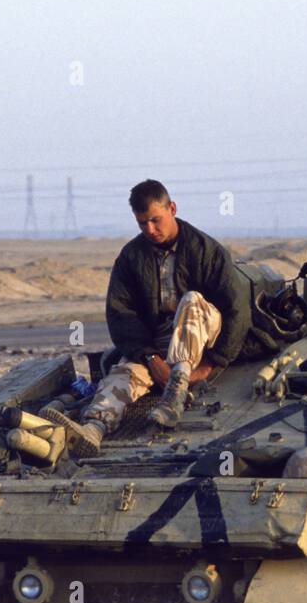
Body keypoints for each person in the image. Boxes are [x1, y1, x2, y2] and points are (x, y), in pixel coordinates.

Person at [42, 179, 254, 457]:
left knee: (191, 300)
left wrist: (210, 365)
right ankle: (93, 429)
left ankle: (176, 394)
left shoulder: (205, 250)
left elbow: (237, 309)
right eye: (143, 223)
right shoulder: (131, 257)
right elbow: (121, 314)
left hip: (204, 334)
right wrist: (151, 359)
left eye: (156, 220)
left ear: (173, 208)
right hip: (158, 343)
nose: (150, 230)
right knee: (121, 376)